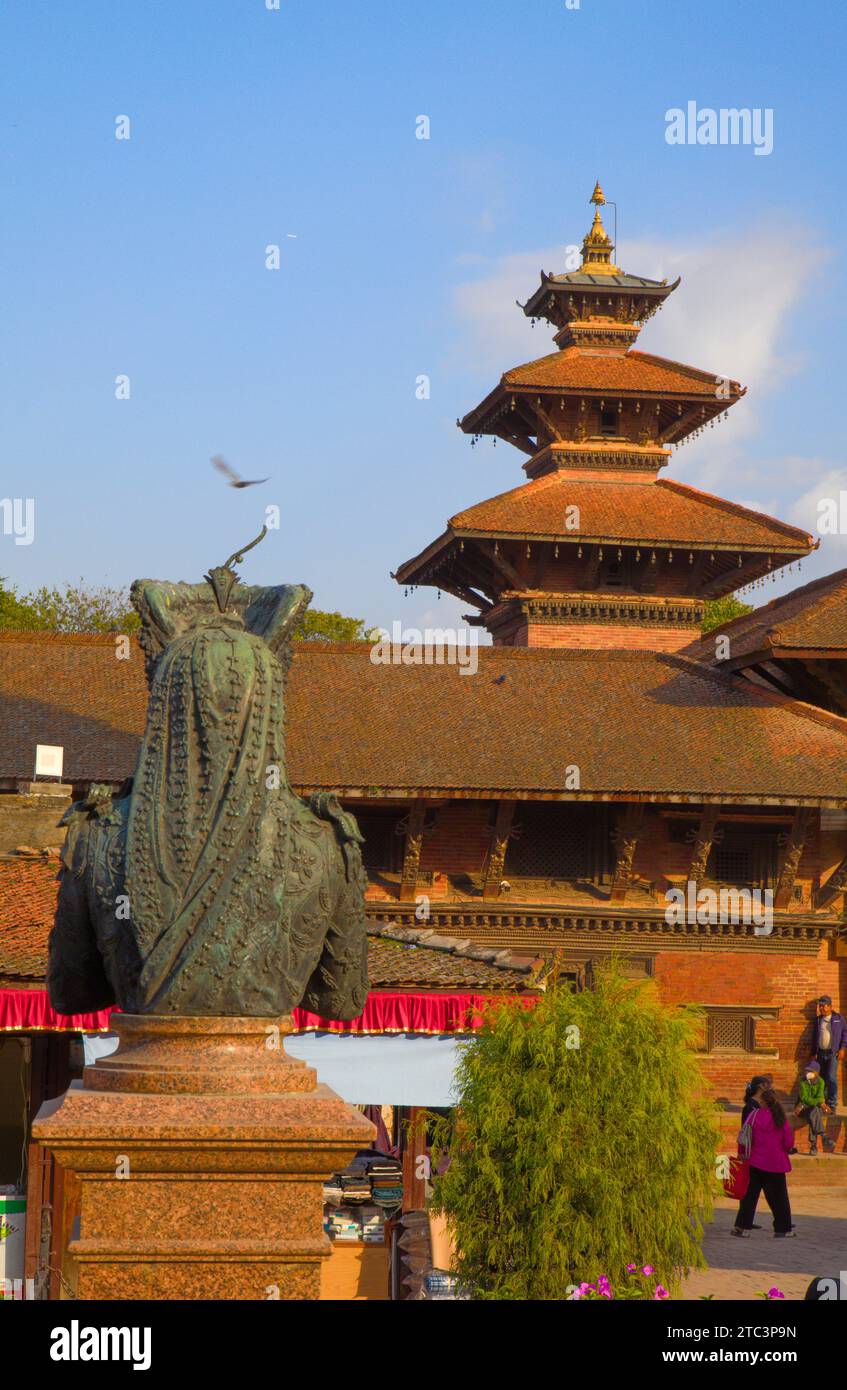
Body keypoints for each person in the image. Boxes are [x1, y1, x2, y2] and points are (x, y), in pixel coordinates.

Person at [733, 1081, 795, 1238]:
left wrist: (741, 1153)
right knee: (779, 1199)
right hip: (776, 1163)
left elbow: (744, 1135)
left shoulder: (754, 1115)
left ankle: (742, 1227)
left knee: (749, 1196)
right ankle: (783, 1229)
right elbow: (788, 1143)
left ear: (763, 1102)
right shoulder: (781, 1119)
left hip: (755, 1161)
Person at [814, 996, 847, 1112]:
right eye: (819, 1006)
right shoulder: (818, 1020)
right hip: (821, 1053)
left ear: (830, 1006)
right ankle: (822, 1104)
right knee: (821, 1078)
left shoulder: (839, 1018)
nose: (821, 1008)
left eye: (823, 1006)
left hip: (833, 1054)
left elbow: (845, 1033)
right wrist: (814, 1052)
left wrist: (842, 1048)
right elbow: (815, 1037)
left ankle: (832, 1104)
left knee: (831, 1077)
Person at [794, 1061, 834, 1155]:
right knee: (815, 1111)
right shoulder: (802, 1081)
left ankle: (813, 1146)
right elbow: (804, 1098)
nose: (808, 1072)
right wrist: (820, 1103)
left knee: (814, 1113)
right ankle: (823, 1136)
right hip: (803, 1108)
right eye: (807, 1070)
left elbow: (820, 1096)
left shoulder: (821, 1081)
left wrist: (818, 1102)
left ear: (817, 1072)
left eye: (811, 1071)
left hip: (813, 1109)